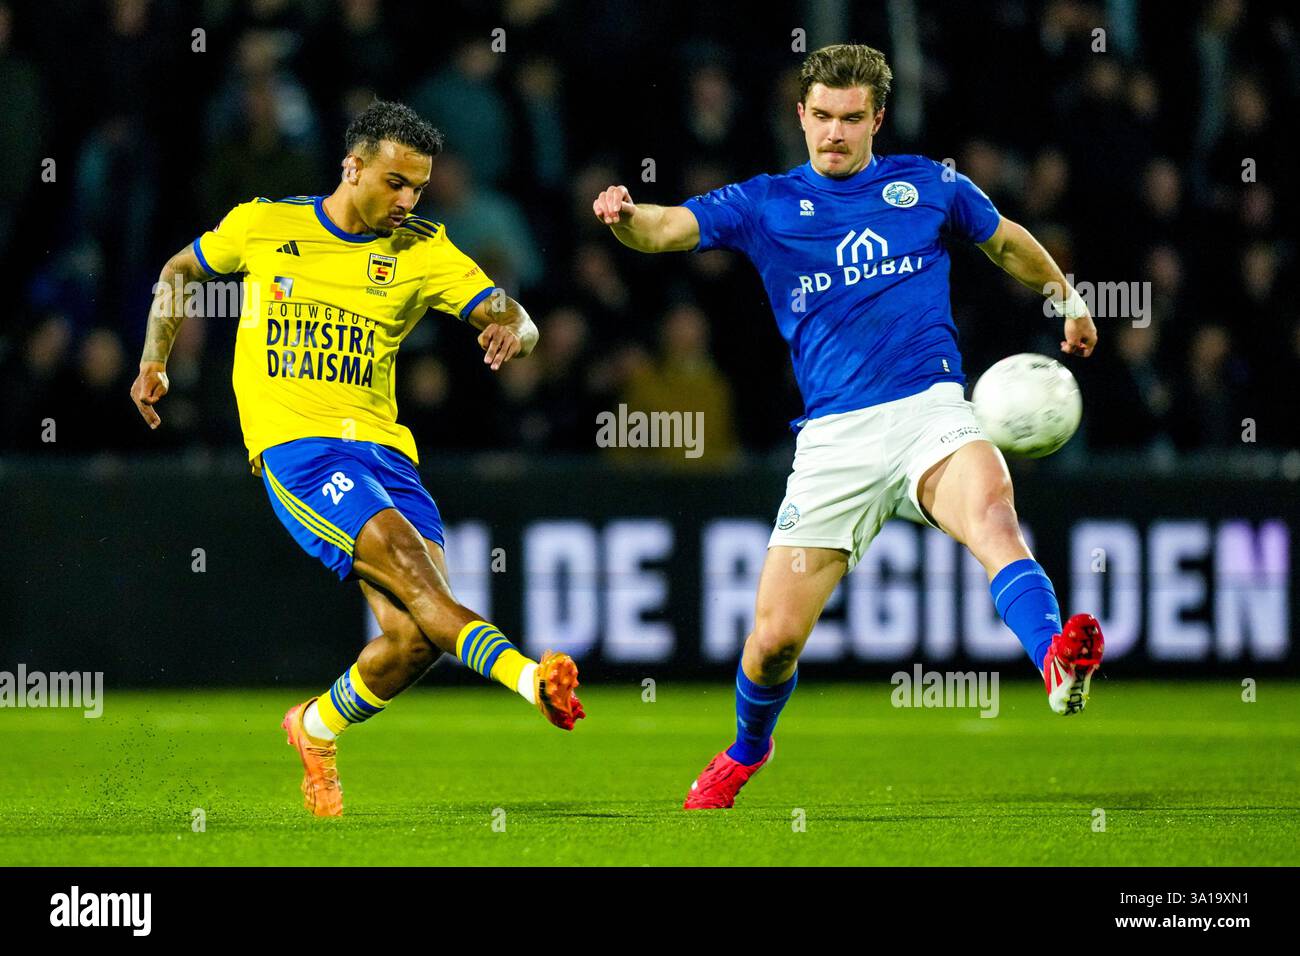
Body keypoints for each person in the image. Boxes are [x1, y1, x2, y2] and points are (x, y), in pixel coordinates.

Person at [592, 44, 1104, 810]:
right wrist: (625, 217)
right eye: (822, 117)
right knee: (772, 644)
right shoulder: (765, 202)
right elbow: (666, 230)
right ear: (800, 115)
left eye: (851, 119)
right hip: (834, 440)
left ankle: (1055, 663)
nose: (834, 133)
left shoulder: (930, 185)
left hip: (932, 410)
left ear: (878, 121)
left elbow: (1005, 241)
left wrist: (1067, 295)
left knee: (995, 520)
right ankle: (745, 750)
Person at [130, 100, 585, 818]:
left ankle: (313, 728)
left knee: (414, 638)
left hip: (385, 453)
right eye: (396, 183)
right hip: (300, 448)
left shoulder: (423, 250)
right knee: (425, 590)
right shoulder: (264, 224)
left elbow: (513, 313)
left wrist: (511, 332)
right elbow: (180, 270)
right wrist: (155, 358)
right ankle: (534, 681)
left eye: (419, 189)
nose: (407, 201)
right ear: (353, 167)